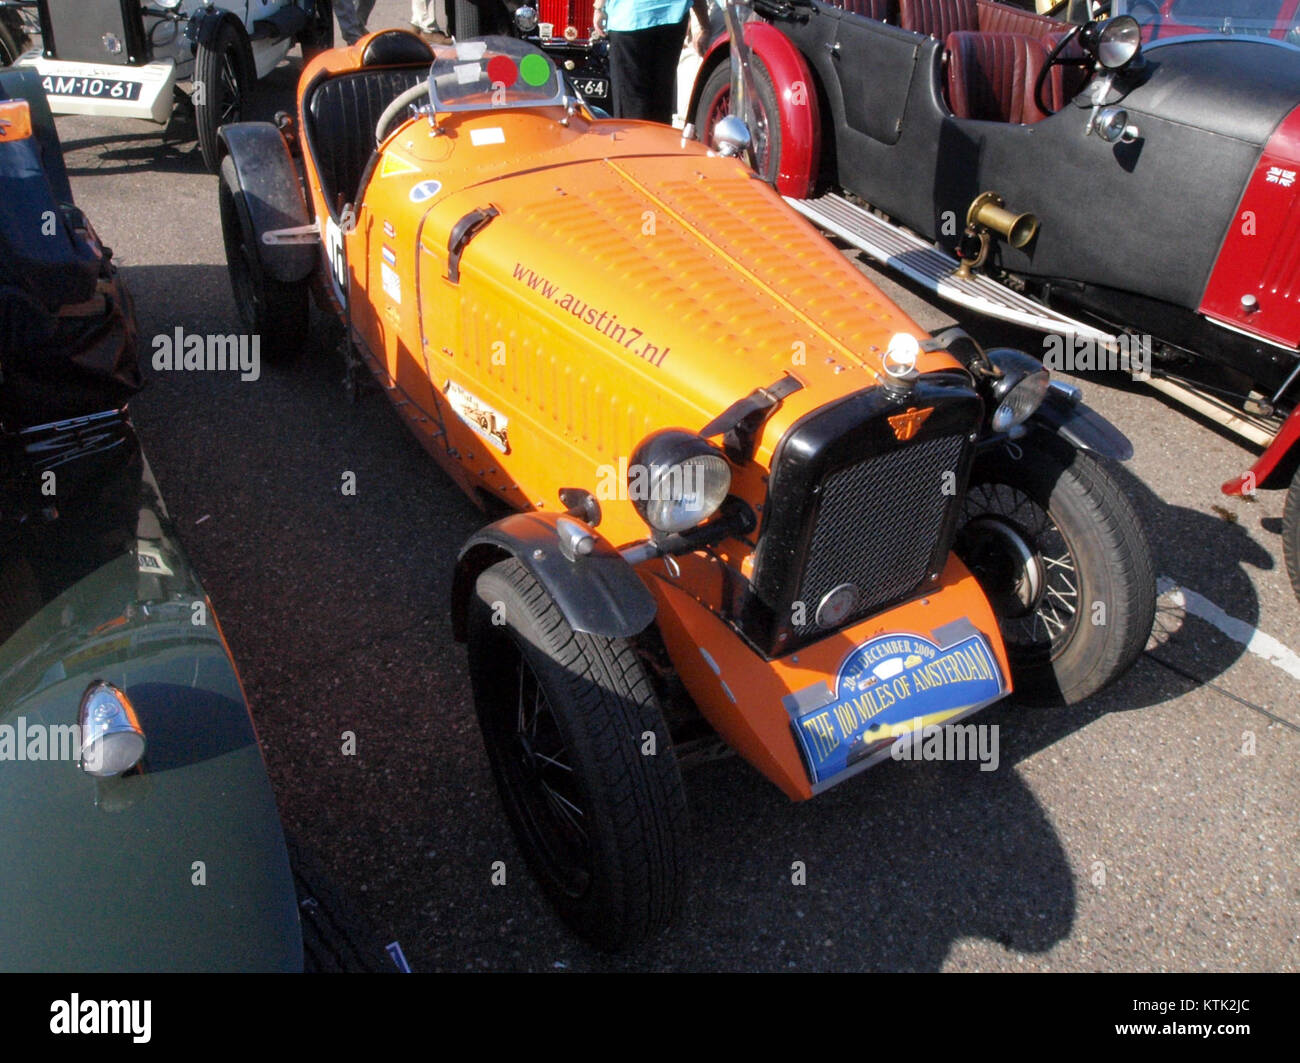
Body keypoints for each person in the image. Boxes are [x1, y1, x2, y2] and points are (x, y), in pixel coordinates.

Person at [596, 0, 710, 124]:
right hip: (672, 14)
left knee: (630, 105)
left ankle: (635, 141)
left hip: (630, 17)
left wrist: (599, 8)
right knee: (661, 98)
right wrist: (704, 24)